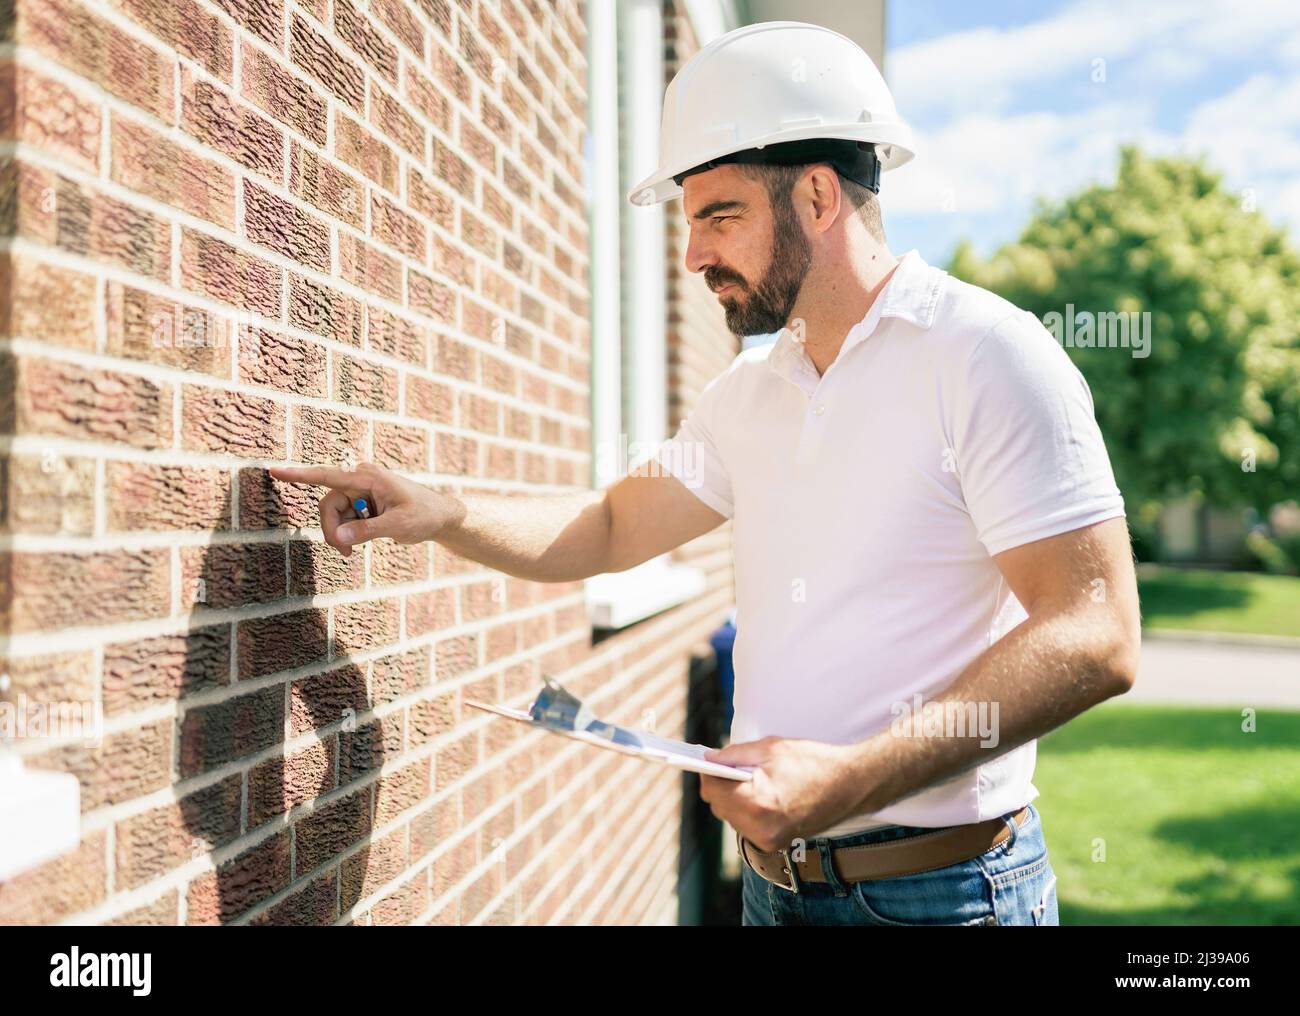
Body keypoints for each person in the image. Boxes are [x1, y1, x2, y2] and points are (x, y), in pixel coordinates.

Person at [269, 21, 1141, 926]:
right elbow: (612, 527)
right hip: (772, 890)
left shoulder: (987, 356)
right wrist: (444, 512)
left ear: (816, 195)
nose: (692, 256)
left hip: (942, 897)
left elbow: (1095, 631)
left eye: (719, 216)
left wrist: (850, 780)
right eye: (690, 223)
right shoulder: (748, 395)